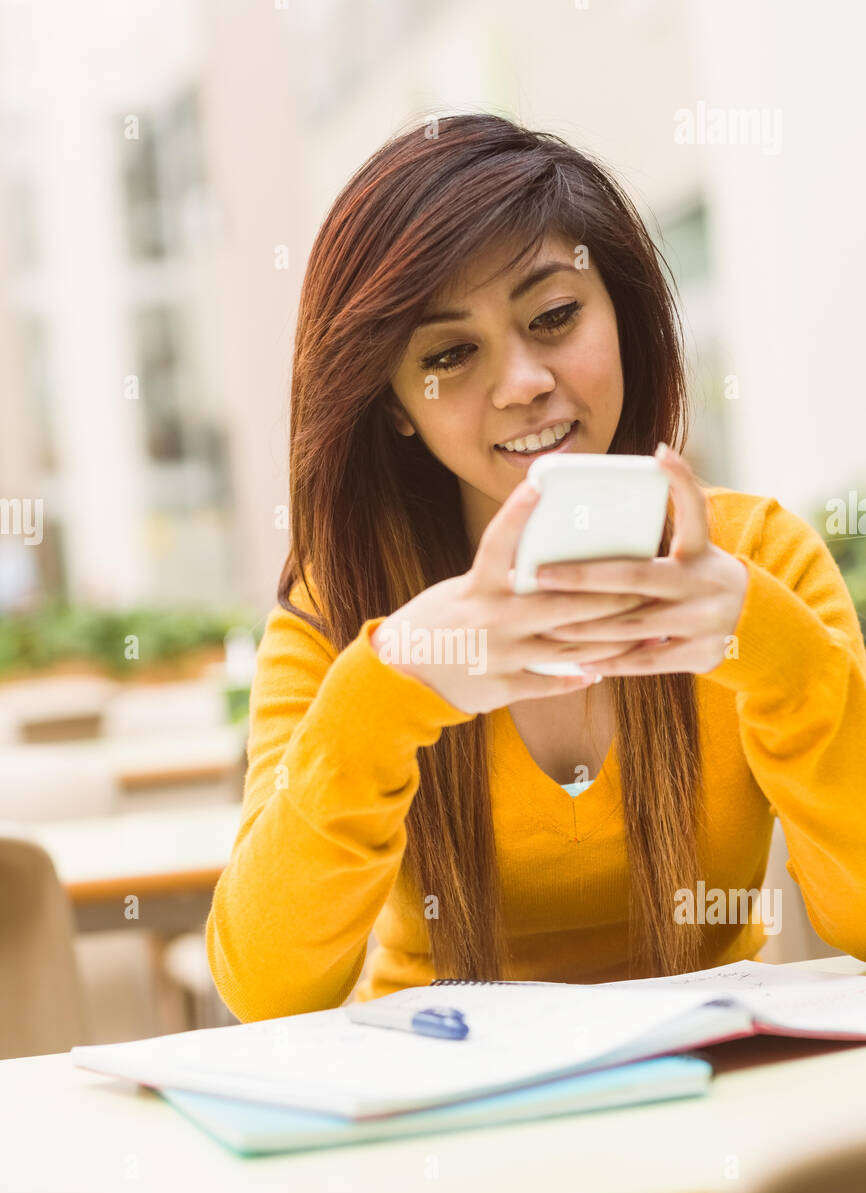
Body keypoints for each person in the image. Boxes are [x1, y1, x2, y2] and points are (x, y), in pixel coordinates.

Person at [206, 114, 866, 1022]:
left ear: (623, 318)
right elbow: (268, 986)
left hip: (724, 1104)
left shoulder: (757, 562)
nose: (521, 381)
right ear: (395, 403)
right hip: (448, 1117)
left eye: (554, 316)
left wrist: (773, 650)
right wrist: (398, 681)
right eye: (448, 355)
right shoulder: (343, 612)